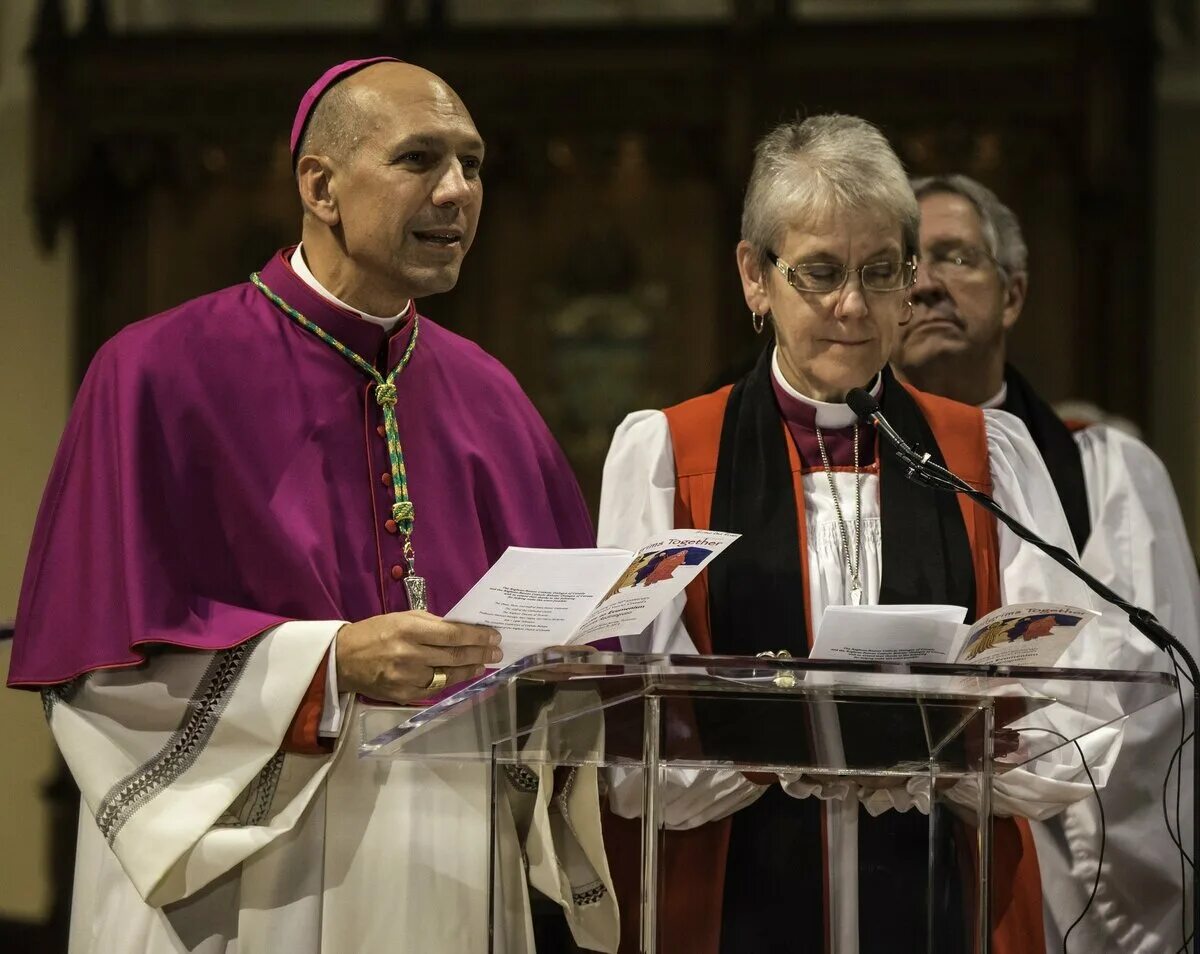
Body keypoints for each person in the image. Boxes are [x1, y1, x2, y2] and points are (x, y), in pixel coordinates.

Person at [9, 58, 617, 953]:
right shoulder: (155, 375)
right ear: (320, 186)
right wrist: (331, 662)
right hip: (241, 880)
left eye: (474, 163)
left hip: (444, 859)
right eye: (420, 159)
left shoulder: (490, 394)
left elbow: (564, 675)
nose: (457, 191)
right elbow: (98, 684)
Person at [598, 115, 1131, 954]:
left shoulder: (983, 453)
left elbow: (1077, 712)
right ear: (754, 276)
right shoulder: (670, 455)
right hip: (736, 900)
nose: (852, 306)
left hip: (946, 893)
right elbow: (625, 736)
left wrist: (951, 758)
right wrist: (776, 753)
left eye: (881, 272)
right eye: (819, 272)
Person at [892, 173, 1199, 952]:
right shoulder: (834, 483)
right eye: (905, 265)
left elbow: (1155, 698)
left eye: (955, 257)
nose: (926, 284)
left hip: (1059, 876)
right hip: (879, 862)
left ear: (1014, 293)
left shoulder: (1108, 473)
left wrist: (987, 769)